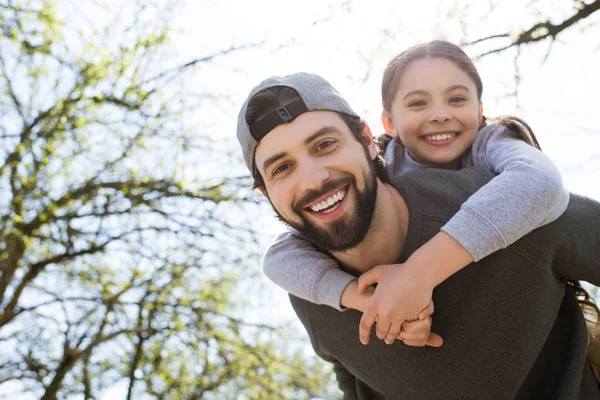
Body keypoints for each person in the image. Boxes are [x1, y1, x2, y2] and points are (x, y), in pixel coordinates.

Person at [236, 72, 600, 398]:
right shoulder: (312, 299)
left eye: (324, 145)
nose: (313, 179)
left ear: (366, 140)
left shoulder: (506, 205)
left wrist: (418, 273)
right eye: (283, 168)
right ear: (266, 194)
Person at [260, 41, 571, 346]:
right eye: (418, 103)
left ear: (479, 111)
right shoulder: (384, 164)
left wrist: (418, 273)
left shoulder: (490, 143)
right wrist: (367, 299)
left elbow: (540, 182)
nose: (439, 114)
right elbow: (278, 258)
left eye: (457, 99)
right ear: (389, 123)